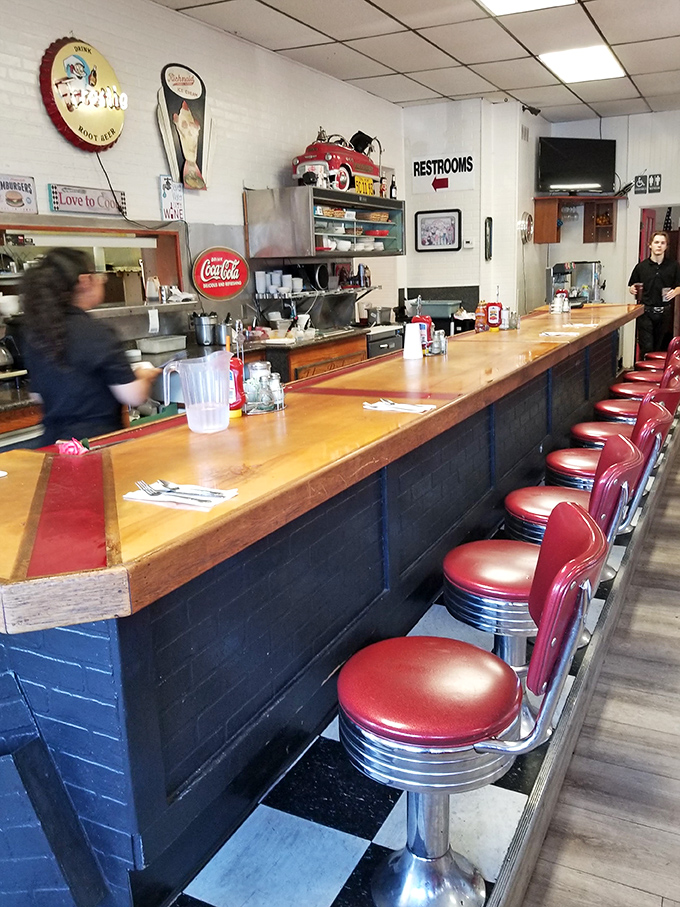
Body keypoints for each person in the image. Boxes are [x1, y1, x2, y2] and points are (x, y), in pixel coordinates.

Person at [21, 247, 160, 445]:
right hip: (96, 445)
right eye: (98, 275)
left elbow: (37, 395)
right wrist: (144, 376)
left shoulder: (36, 334)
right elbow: (134, 395)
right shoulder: (96, 333)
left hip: (53, 446)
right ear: (85, 281)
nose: (102, 280)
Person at [628, 231, 680, 358]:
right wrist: (632, 289)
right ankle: (643, 368)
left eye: (662, 243)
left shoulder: (674, 266)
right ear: (650, 245)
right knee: (647, 346)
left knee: (659, 347)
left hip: (664, 312)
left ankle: (656, 370)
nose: (659, 245)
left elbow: (679, 286)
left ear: (666, 246)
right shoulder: (641, 267)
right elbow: (632, 285)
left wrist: (675, 292)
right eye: (656, 242)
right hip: (645, 312)